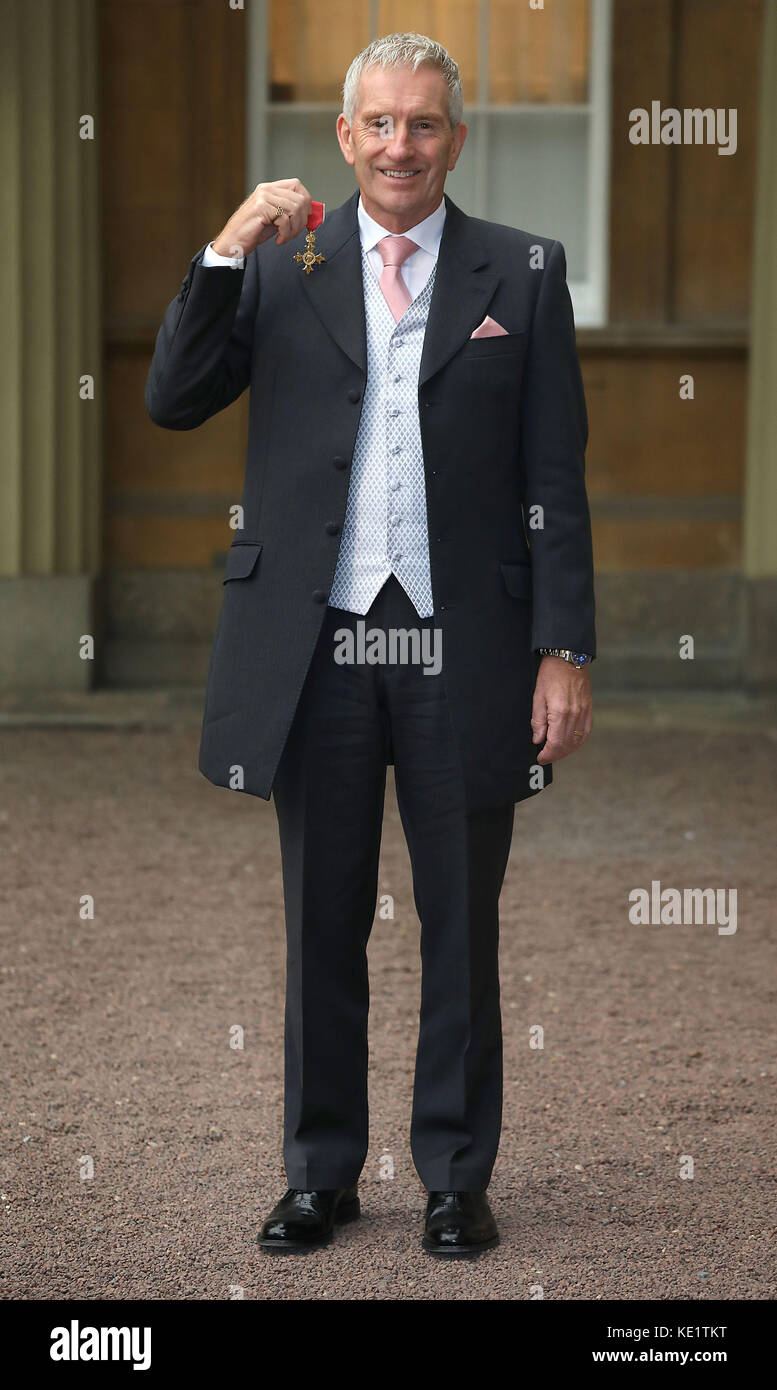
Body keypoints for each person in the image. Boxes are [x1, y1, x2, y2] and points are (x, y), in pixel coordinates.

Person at [145, 31, 595, 1257]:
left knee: (460, 921)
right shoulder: (284, 266)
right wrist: (227, 246)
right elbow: (174, 395)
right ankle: (320, 1173)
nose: (403, 145)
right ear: (345, 137)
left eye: (427, 123)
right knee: (320, 916)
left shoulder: (525, 272)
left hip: (471, 647)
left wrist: (567, 649)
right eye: (380, 124)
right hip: (321, 641)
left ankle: (455, 1175)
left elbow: (555, 473)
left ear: (457, 137)